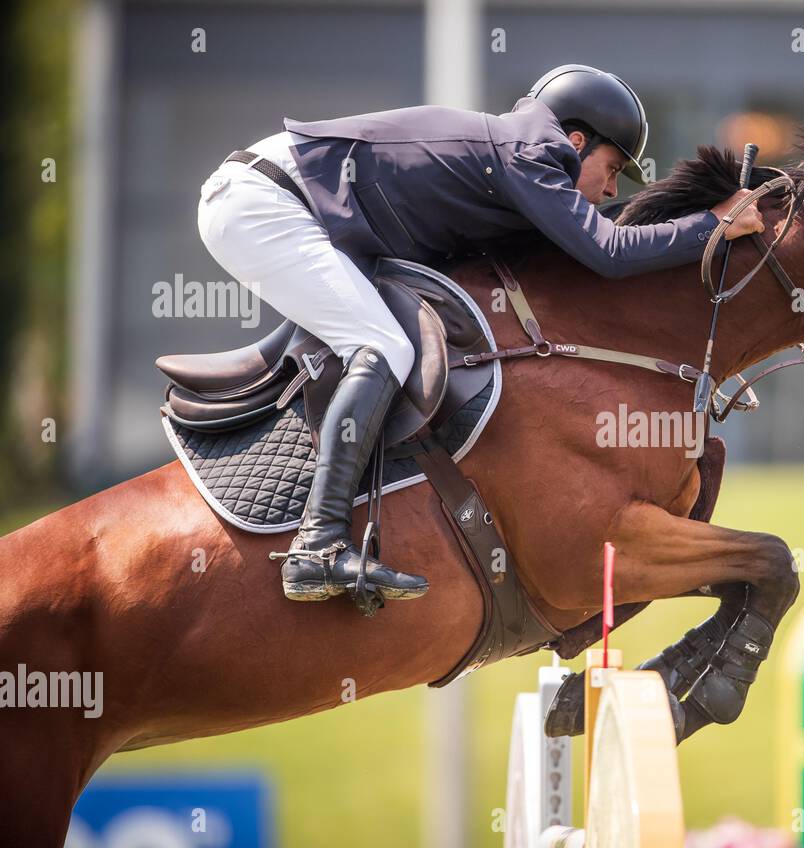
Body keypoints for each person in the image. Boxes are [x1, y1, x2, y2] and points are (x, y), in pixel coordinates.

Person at [195, 64, 763, 608]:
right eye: (613, 168)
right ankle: (317, 546)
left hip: (282, 203)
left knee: (382, 342)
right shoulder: (530, 153)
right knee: (385, 347)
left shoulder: (524, 160)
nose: (612, 190)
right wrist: (714, 225)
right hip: (263, 201)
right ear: (576, 140)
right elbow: (609, 255)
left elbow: (582, 273)